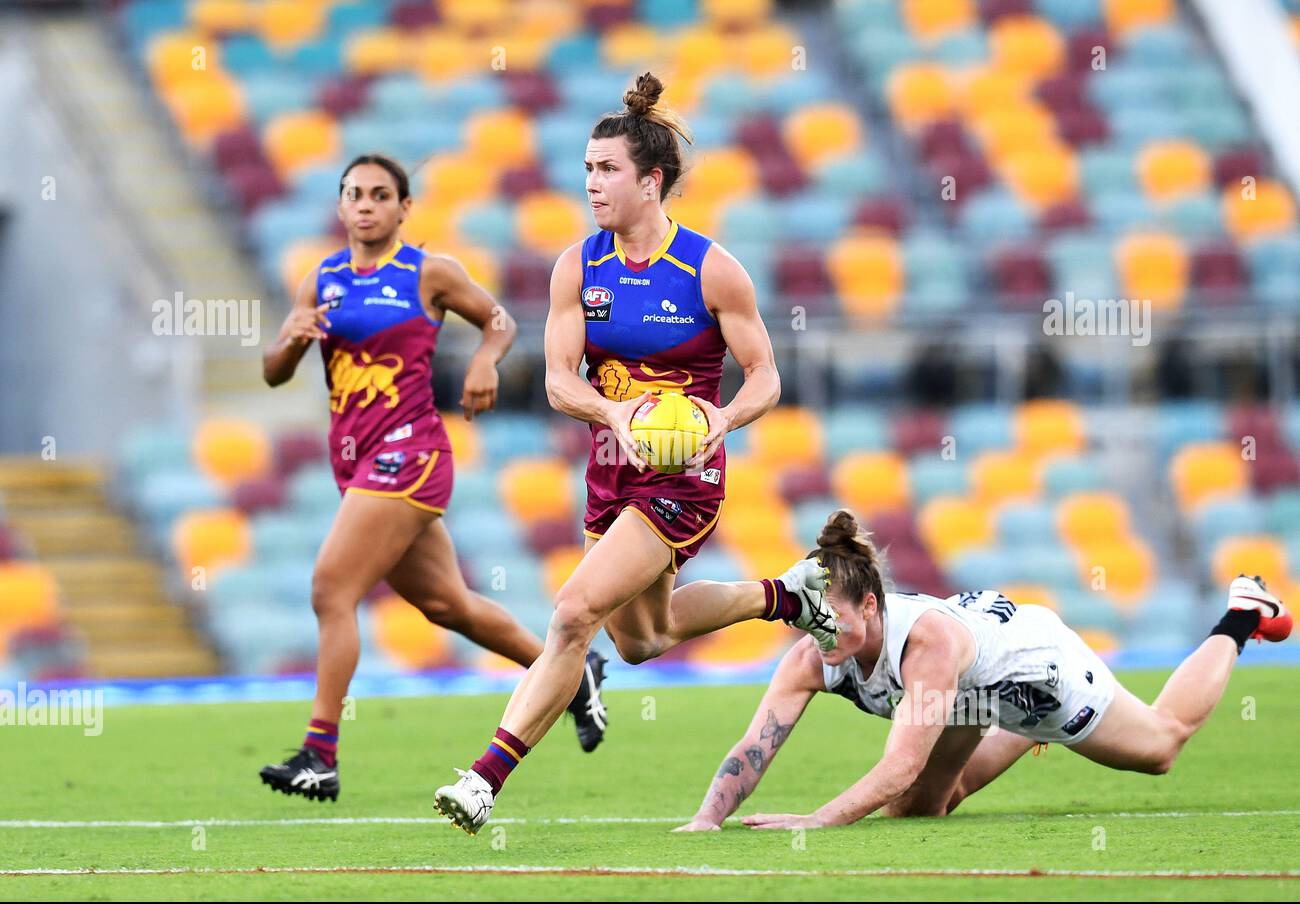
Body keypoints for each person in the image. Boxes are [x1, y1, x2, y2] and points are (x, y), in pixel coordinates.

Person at [432, 73, 839, 834]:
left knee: (573, 613)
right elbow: (557, 382)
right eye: (587, 168)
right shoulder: (577, 269)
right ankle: (789, 597)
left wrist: (719, 423)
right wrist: (614, 410)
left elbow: (766, 378)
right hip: (612, 469)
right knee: (643, 639)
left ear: (652, 182)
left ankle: (485, 779)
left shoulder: (710, 269)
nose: (591, 184)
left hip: (684, 477)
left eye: (607, 169)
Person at [258, 154, 609, 802]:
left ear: (402, 208)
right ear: (340, 207)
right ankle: (571, 671)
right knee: (448, 605)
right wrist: (290, 341)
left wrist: (483, 361)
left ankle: (320, 754)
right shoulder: (323, 279)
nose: (364, 204)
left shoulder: (428, 273)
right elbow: (274, 373)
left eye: (379, 194)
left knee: (331, 588)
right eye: (353, 194)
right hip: (355, 459)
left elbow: (499, 321)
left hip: (410, 451)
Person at [675, 508, 1292, 830]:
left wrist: (815, 820)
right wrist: (708, 818)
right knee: (918, 813)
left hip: (1037, 671)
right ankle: (1013, 731)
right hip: (971, 692)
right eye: (810, 618)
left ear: (871, 603)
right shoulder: (816, 655)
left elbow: (900, 765)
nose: (819, 633)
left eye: (831, 617)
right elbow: (755, 743)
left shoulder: (927, 645)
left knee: (1161, 745)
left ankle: (1241, 612)